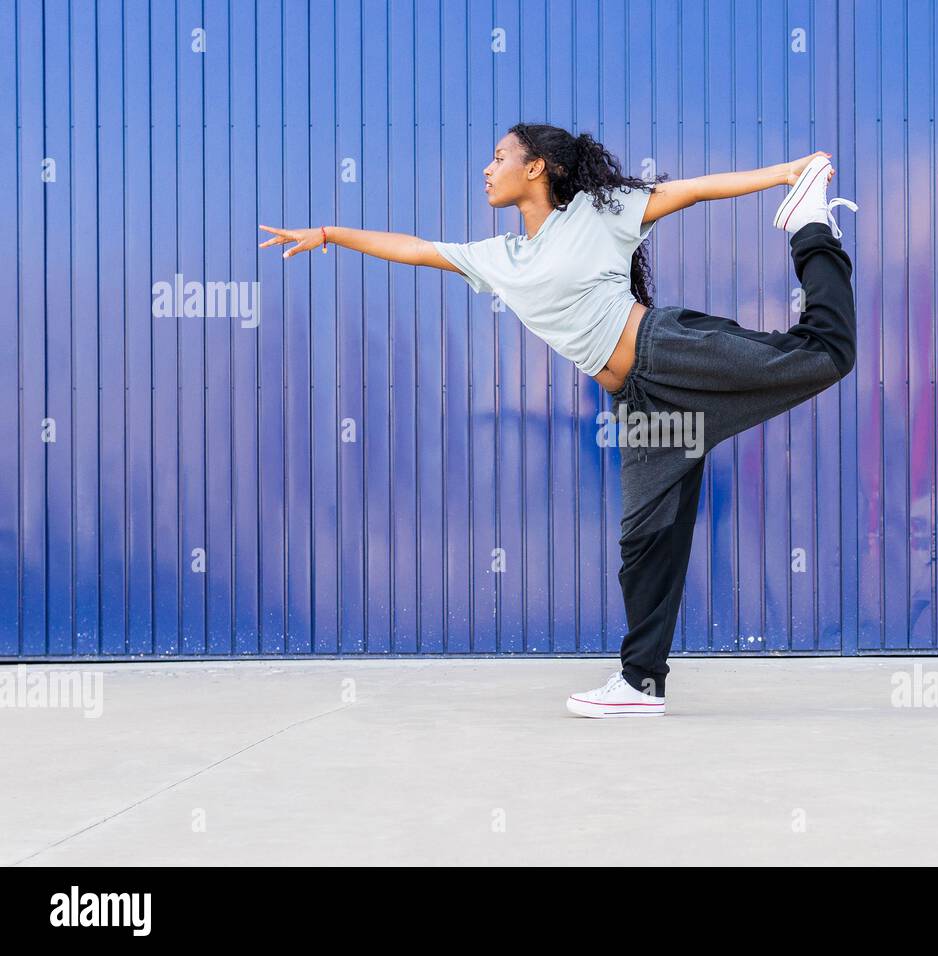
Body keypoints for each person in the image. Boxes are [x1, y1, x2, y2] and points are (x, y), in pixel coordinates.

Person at [259, 123, 857, 718]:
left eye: (499, 158)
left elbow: (695, 191)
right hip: (644, 403)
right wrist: (329, 234)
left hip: (666, 350)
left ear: (537, 167)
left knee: (825, 353)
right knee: (648, 541)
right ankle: (641, 683)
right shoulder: (501, 258)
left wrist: (786, 176)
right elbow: (415, 248)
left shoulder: (599, 214)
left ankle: (810, 223)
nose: (488, 170)